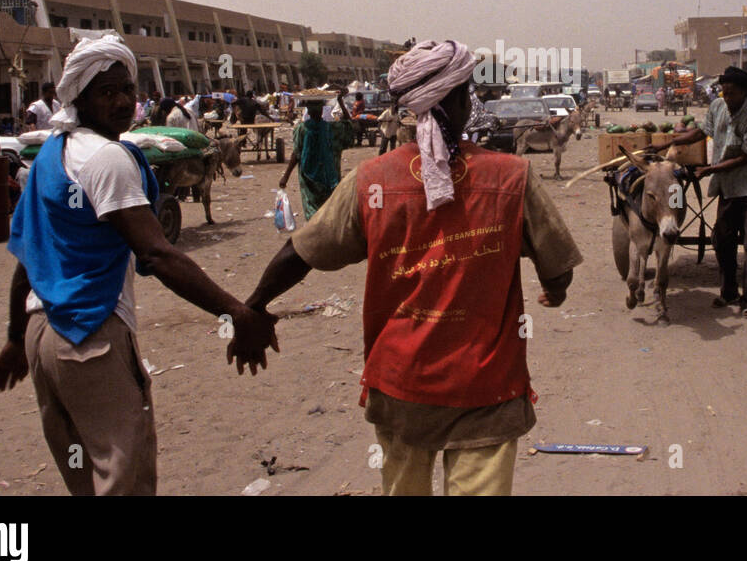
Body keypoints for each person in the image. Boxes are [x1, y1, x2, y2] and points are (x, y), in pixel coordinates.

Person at [247, 39, 581, 496]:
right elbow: (558, 269)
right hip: (485, 387)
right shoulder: (512, 178)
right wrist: (553, 288)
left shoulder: (371, 181)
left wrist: (253, 307)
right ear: (461, 101)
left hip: (402, 385)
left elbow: (302, 252)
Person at [0, 34, 277, 496]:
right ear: (80, 99)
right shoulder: (108, 160)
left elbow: (29, 255)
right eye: (108, 92)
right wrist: (238, 314)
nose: (123, 101)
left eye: (129, 89)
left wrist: (12, 337)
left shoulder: (50, 154)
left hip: (41, 336)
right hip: (90, 335)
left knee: (84, 480)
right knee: (125, 481)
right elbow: (156, 253)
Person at [650, 67, 747, 317]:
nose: (727, 97)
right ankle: (728, 292)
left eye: (732, 93)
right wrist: (669, 143)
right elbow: (701, 132)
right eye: (724, 92)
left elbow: (746, 157)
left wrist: (709, 169)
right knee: (722, 240)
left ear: (745, 92)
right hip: (729, 187)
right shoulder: (717, 107)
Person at [279, 98, 354, 220]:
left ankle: (315, 232)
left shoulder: (302, 129)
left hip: (309, 178)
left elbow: (296, 153)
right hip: (330, 177)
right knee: (330, 210)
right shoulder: (332, 128)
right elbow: (349, 126)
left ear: (307, 111)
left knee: (312, 211)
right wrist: (340, 101)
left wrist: (286, 176)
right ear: (322, 110)